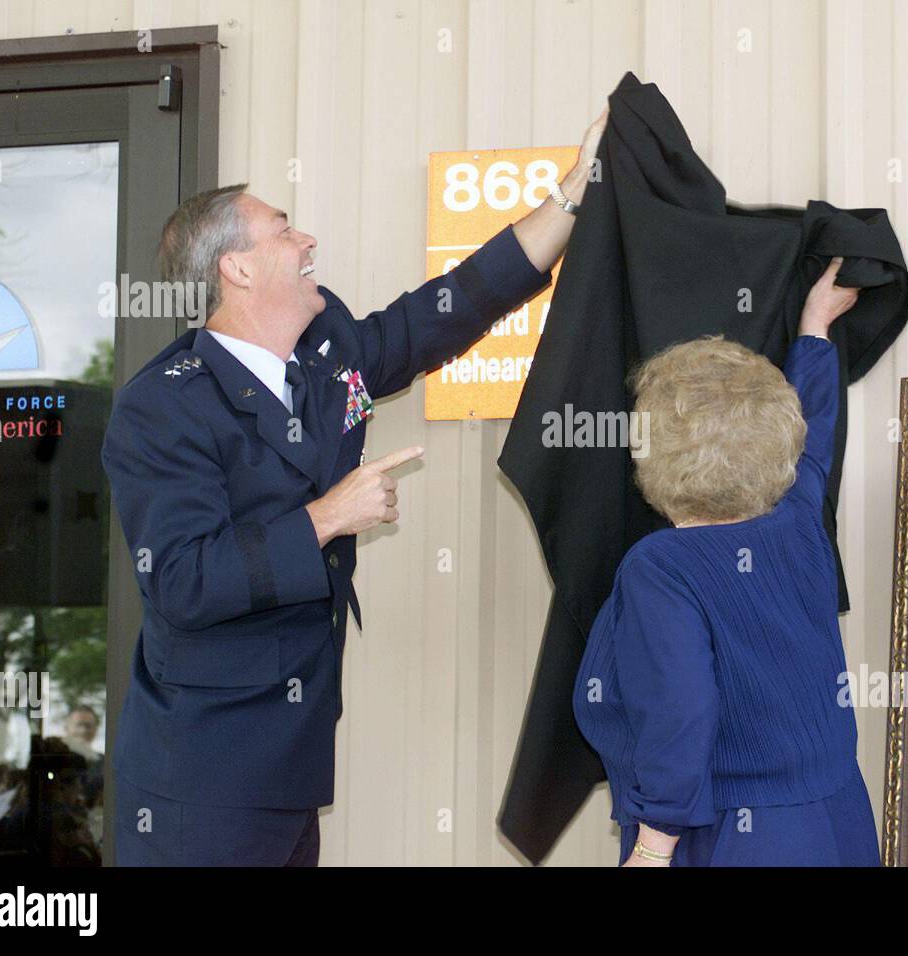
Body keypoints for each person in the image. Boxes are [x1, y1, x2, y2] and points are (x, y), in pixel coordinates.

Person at [102, 109, 607, 866]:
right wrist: (326, 518)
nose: (306, 241)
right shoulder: (162, 404)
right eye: (282, 230)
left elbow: (443, 311)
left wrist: (571, 195)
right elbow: (180, 580)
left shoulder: (326, 351)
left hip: (292, 759)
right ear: (234, 269)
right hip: (201, 776)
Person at [572, 258, 881, 866]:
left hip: (730, 840)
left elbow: (679, 711)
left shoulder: (661, 568)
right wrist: (815, 329)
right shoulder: (797, 520)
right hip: (838, 824)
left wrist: (654, 849)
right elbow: (814, 434)